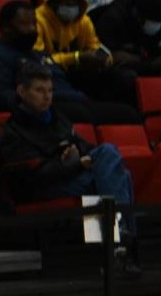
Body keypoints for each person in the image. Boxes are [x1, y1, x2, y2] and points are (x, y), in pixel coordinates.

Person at [0, 63, 137, 271]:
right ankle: (119, 247)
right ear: (21, 91)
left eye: (50, 90)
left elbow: (84, 146)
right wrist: (73, 164)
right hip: (38, 189)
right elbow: (30, 176)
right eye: (39, 90)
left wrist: (76, 154)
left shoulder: (57, 118)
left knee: (116, 170)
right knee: (113, 170)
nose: (47, 97)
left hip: (67, 177)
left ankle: (116, 248)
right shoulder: (12, 131)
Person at [0, 0, 138, 124]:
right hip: (50, 106)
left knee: (129, 113)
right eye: (25, 24)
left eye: (34, 24)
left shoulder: (37, 54)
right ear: (6, 28)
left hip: (76, 98)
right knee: (83, 115)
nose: (32, 30)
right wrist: (29, 100)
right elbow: (4, 94)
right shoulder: (4, 56)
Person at [35, 0, 136, 108]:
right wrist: (77, 57)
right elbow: (38, 60)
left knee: (121, 78)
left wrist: (105, 58)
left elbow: (95, 46)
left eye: (74, 3)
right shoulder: (38, 21)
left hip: (78, 72)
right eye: (66, 2)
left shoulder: (83, 21)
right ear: (53, 2)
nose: (71, 7)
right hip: (50, 73)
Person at [89, 0, 161, 77]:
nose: (157, 25)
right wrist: (144, 61)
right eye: (154, 21)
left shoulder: (152, 21)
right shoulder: (112, 20)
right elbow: (107, 57)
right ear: (137, 14)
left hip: (138, 59)